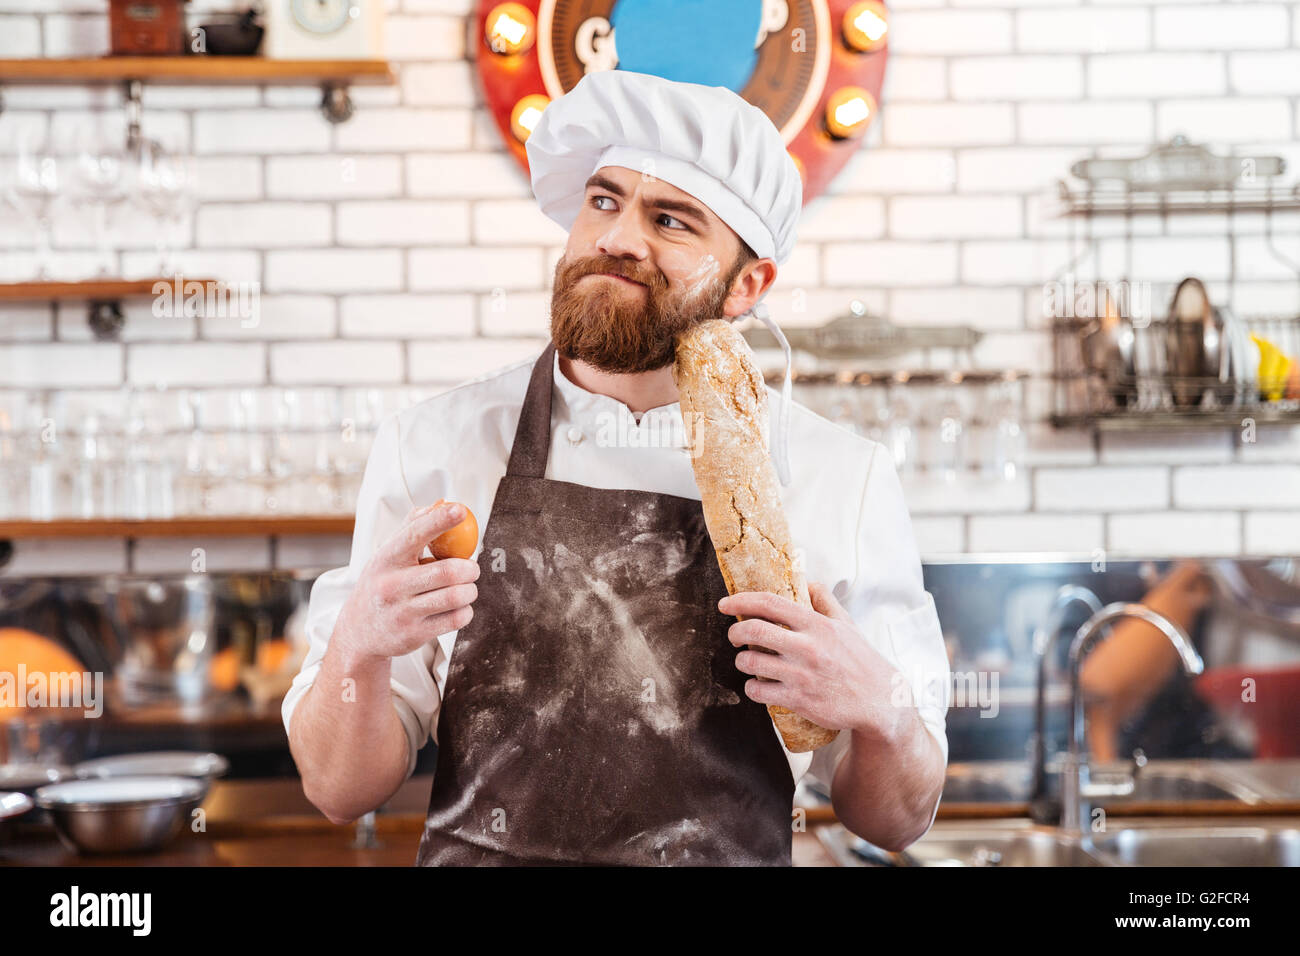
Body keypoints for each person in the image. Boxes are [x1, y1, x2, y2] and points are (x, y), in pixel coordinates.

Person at [283, 70, 949, 865]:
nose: (619, 238)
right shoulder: (433, 447)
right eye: (604, 201)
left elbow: (895, 822)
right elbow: (336, 789)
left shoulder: (842, 477)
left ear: (748, 286)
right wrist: (356, 647)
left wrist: (886, 712)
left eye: (670, 220)